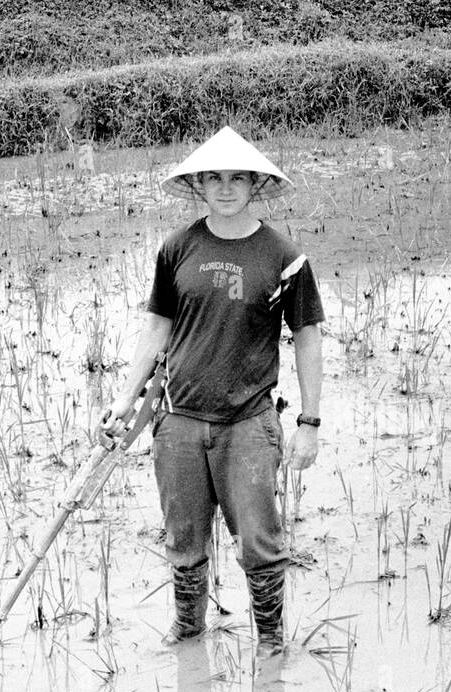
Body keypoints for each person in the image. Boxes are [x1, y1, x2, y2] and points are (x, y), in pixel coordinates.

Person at [101, 126, 324, 652]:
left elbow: (308, 339)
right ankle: (188, 636)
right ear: (199, 183)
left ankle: (270, 645)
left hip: (247, 421)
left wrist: (309, 423)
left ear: (255, 184)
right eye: (214, 178)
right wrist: (124, 396)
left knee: (260, 541)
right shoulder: (177, 248)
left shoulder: (284, 256)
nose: (225, 187)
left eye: (237, 178)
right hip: (178, 420)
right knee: (182, 538)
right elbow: (156, 327)